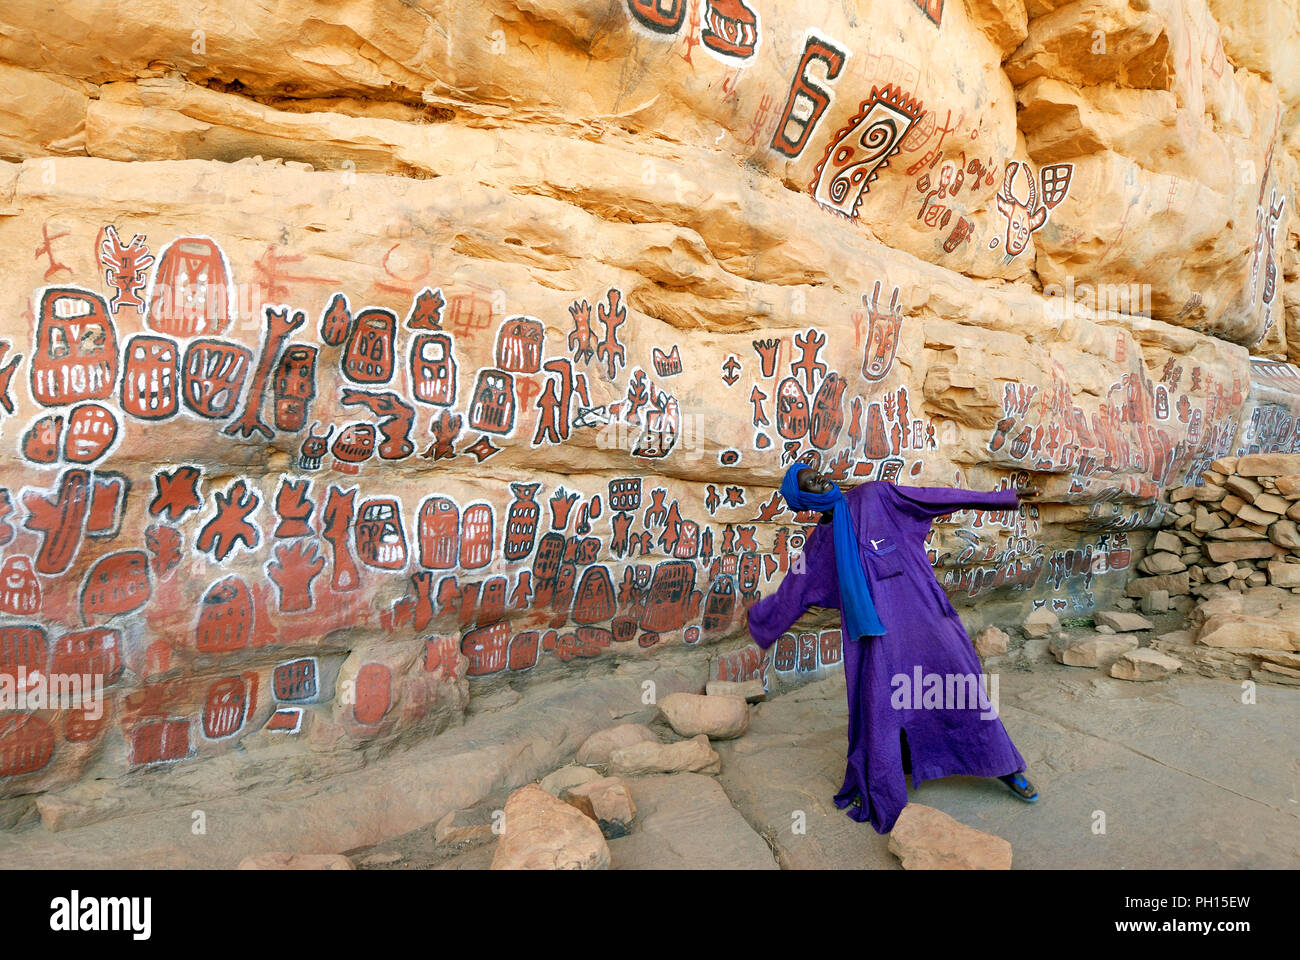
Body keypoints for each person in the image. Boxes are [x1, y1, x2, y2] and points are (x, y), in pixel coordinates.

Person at [746, 463, 1040, 835]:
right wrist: (760, 621)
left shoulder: (874, 496)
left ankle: (1005, 766)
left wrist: (1003, 499)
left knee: (960, 686)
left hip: (925, 616)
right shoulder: (819, 545)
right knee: (882, 706)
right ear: (803, 498)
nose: (823, 479)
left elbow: (935, 498)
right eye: (811, 483)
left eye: (818, 473)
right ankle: (896, 773)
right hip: (875, 636)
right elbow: (794, 589)